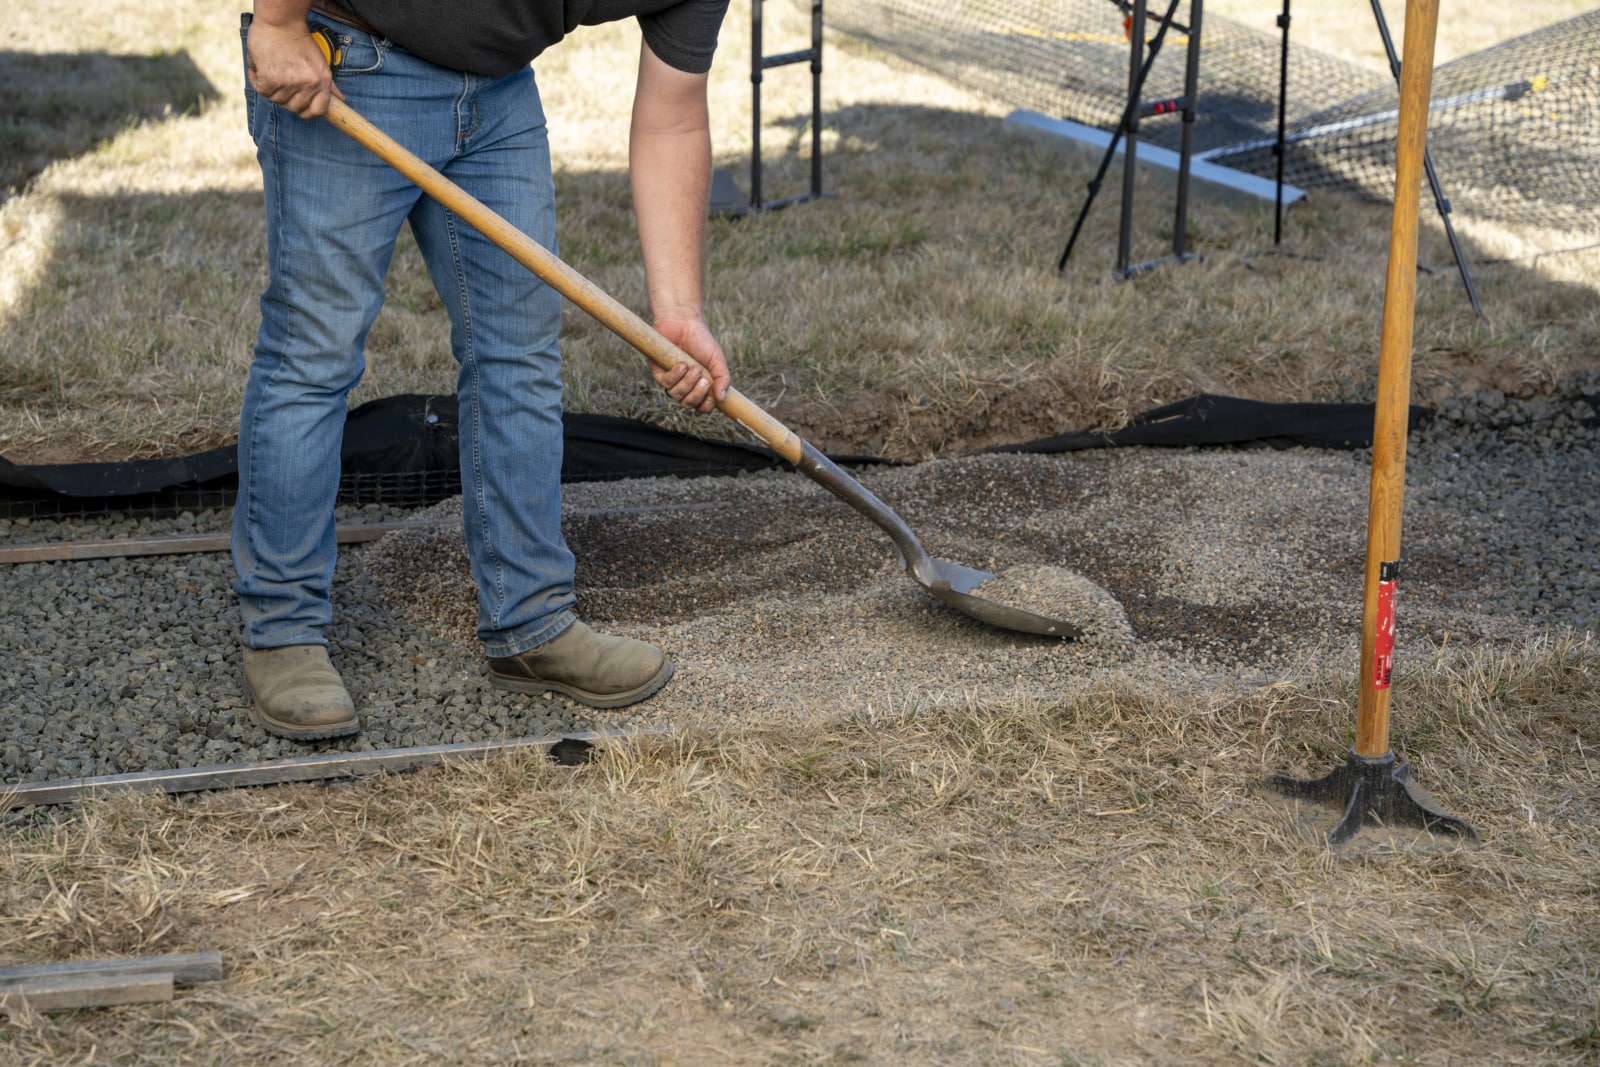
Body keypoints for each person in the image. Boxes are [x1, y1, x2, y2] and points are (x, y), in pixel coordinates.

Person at [235, 0, 732, 740]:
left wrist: (679, 309)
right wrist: (276, 25)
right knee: (315, 351)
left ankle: (530, 619)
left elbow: (674, 116)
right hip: (350, 57)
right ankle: (282, 628)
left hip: (497, 94)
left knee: (521, 354)